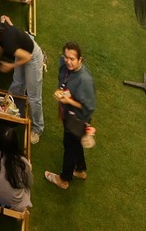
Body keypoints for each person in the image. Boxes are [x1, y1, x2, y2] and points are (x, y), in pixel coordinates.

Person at [0, 17, 45, 143]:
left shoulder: (8, 43)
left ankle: (37, 128)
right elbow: (2, 47)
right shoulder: (0, 29)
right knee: (17, 83)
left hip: (33, 57)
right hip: (22, 51)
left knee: (34, 97)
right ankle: (12, 114)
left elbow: (27, 57)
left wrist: (11, 66)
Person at [44, 42, 96, 188]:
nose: (68, 61)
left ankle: (64, 179)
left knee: (69, 146)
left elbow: (88, 107)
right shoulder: (66, 66)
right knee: (76, 143)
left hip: (77, 118)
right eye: (66, 57)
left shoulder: (84, 80)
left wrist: (68, 101)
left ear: (80, 60)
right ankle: (80, 170)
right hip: (70, 115)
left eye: (72, 59)